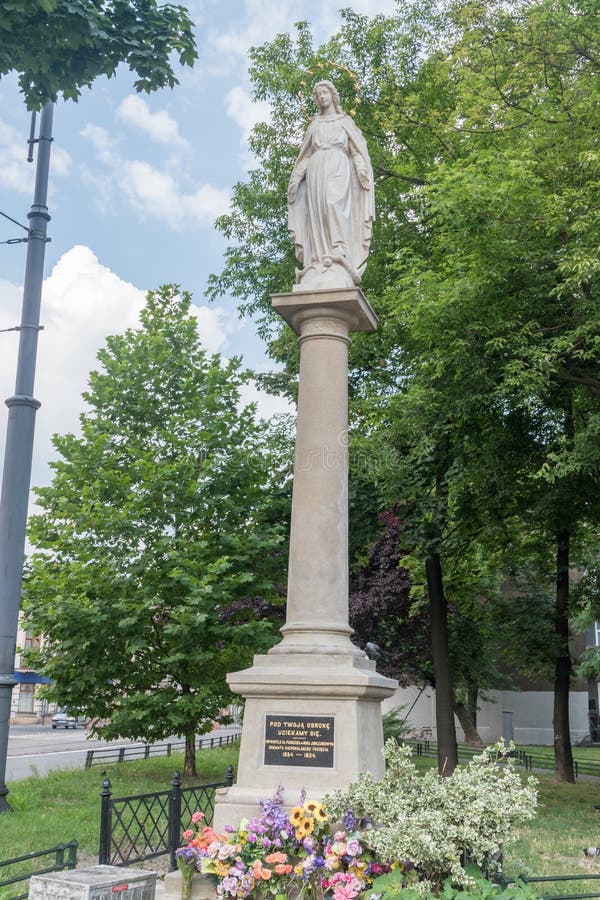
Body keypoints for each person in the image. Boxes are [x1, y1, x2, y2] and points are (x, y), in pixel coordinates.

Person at [288, 79, 375, 290]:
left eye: (324, 92)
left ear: (333, 95)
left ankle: (339, 249)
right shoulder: (315, 125)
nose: (321, 97)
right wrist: (296, 178)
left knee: (333, 203)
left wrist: (361, 170)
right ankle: (319, 257)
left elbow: (356, 151)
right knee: (317, 211)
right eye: (318, 95)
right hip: (316, 168)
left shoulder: (345, 122)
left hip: (338, 165)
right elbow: (306, 155)